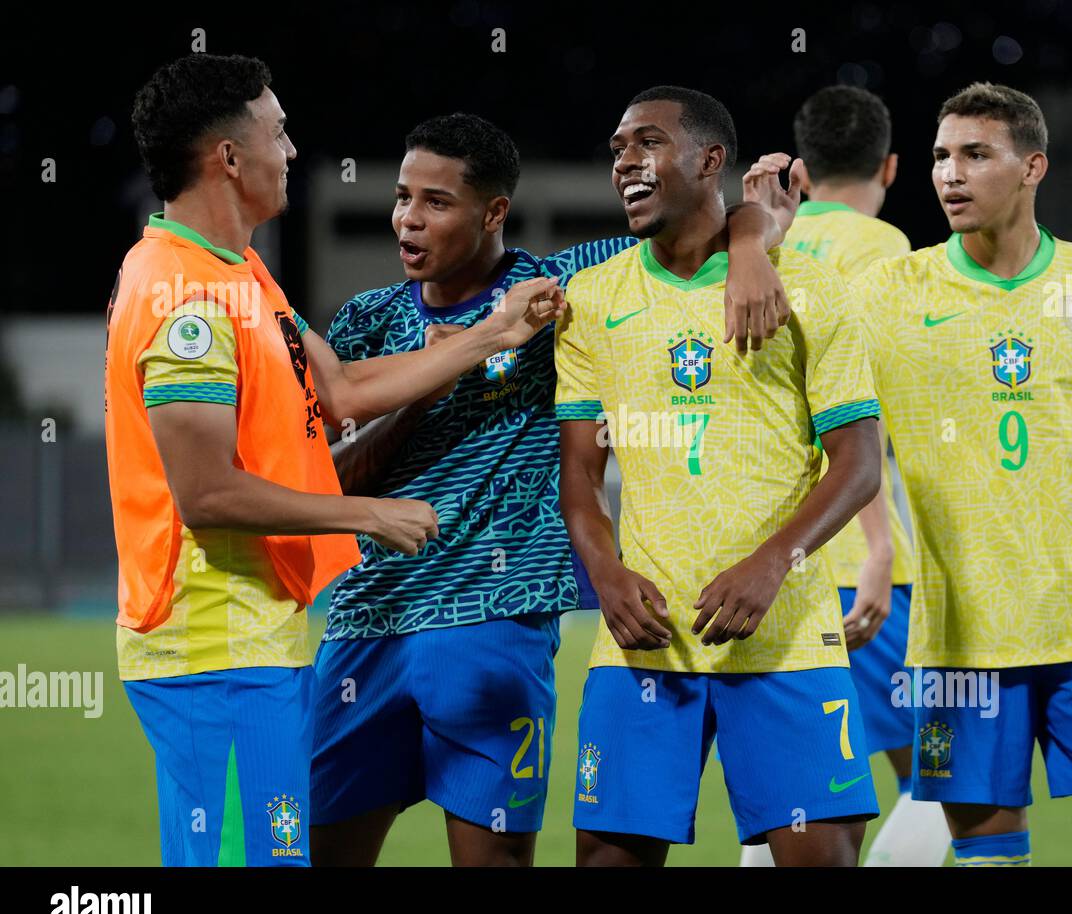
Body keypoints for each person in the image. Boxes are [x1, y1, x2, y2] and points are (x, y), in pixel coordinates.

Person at [746, 81, 1072, 867]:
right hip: (962, 643)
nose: (950, 175)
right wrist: (766, 248)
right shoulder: (890, 292)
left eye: (975, 154)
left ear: (1033, 166)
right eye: (939, 157)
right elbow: (778, 360)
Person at [108, 54, 556, 866]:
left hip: (259, 643)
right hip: (213, 652)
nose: (292, 150)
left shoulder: (239, 272)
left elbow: (344, 390)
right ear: (230, 159)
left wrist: (493, 334)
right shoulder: (186, 298)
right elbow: (205, 492)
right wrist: (365, 514)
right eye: (278, 133)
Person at [308, 112, 790, 867]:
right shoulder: (368, 323)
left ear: (493, 212)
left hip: (494, 624)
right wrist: (429, 384)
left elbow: (698, 220)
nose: (408, 218)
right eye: (403, 197)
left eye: (436, 202)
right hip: (368, 624)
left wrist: (756, 237)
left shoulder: (569, 288)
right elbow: (327, 482)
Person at [557, 86, 884, 867]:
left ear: (710, 160)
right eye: (616, 149)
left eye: (647, 143)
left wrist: (774, 563)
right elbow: (579, 476)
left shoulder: (809, 287)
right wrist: (604, 574)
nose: (626, 162)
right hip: (646, 641)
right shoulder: (592, 300)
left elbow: (860, 462)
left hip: (786, 642)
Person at [738, 85, 948, 868]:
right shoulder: (884, 249)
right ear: (891, 165)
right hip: (859, 561)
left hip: (770, 558)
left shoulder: (755, 243)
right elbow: (863, 408)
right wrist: (881, 548)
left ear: (804, 162)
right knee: (944, 770)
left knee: (794, 791)